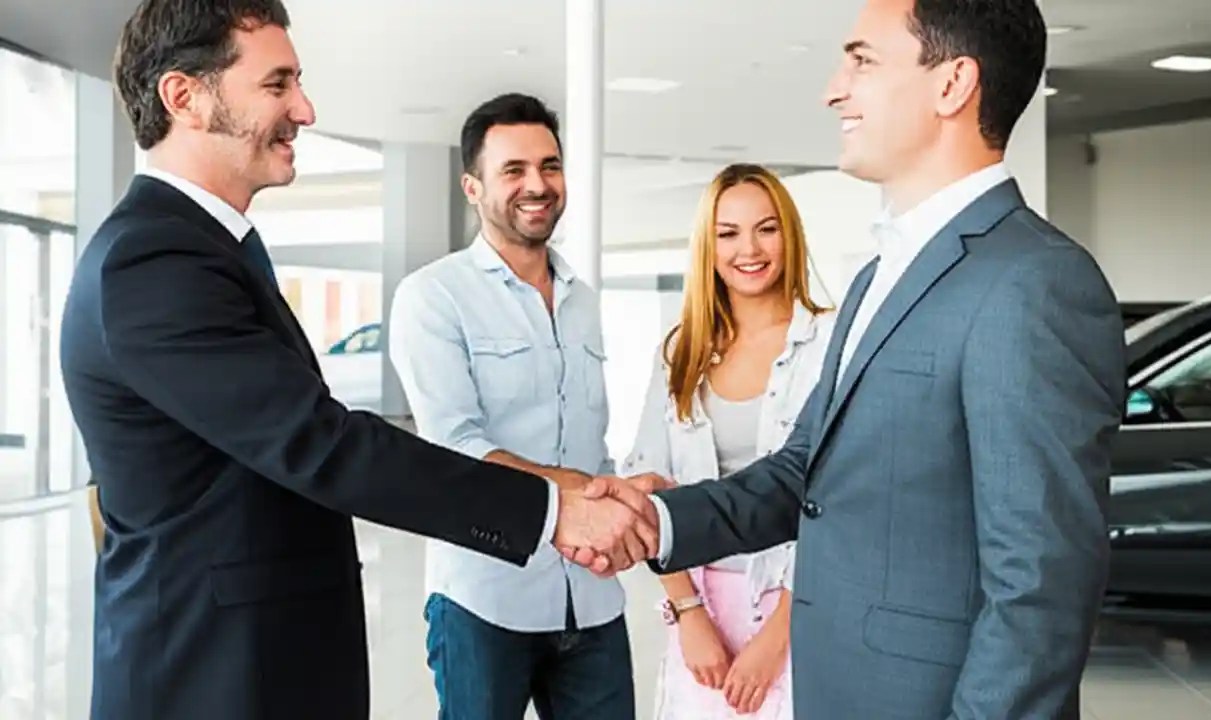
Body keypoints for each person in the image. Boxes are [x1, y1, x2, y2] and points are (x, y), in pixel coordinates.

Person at [60, 3, 652, 719]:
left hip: (252, 664)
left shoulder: (207, 249)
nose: (304, 109)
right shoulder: (153, 259)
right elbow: (320, 443)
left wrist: (579, 490)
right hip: (206, 676)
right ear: (184, 97)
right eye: (277, 84)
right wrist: (552, 510)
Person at [567, 0, 1127, 718]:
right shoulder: (875, 276)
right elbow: (805, 470)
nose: (835, 88)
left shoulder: (1035, 281)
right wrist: (658, 520)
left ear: (952, 85)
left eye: (862, 61)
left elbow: (1042, 585)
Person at [387, 92, 645, 720]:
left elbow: (591, 439)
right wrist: (584, 494)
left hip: (591, 595)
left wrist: (628, 494)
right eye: (514, 170)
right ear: (472, 188)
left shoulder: (582, 300)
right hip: (485, 595)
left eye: (550, 166)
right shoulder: (433, 296)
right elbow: (456, 448)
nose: (538, 184)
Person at [621, 164, 833, 719]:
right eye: (728, 233)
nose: (750, 249)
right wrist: (689, 614)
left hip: (804, 609)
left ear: (790, 234)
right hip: (704, 611)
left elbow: (836, 499)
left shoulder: (828, 343)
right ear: (707, 246)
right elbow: (648, 489)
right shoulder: (681, 352)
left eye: (767, 228)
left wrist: (777, 638)